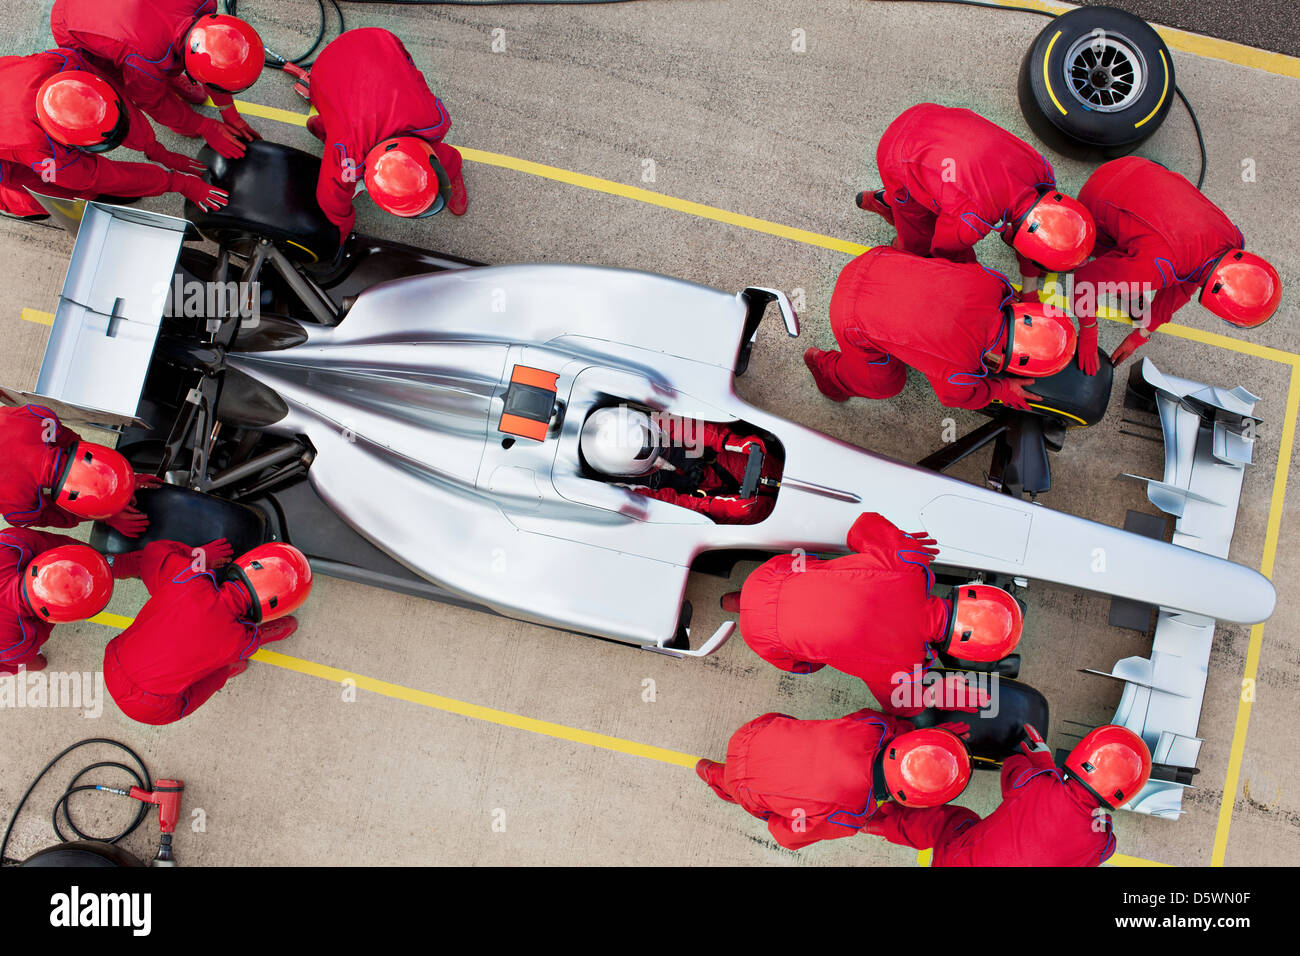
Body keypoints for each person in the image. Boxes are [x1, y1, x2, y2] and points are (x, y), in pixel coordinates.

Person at [721, 512, 1021, 713]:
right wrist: (946, 691)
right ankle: (740, 607)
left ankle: (739, 599)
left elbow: (861, 526)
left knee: (810, 574)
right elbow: (901, 707)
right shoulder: (906, 668)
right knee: (812, 663)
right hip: (761, 639)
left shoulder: (910, 565)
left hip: (767, 576)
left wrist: (900, 541)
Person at [1067, 156, 1282, 373]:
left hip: (1138, 168)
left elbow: (1189, 277)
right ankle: (1117, 279)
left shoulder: (1230, 237)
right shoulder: (1153, 269)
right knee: (1088, 258)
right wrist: (1088, 331)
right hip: (1097, 198)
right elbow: (1085, 280)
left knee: (1149, 260)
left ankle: (1128, 286)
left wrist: (1142, 333)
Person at [803, 247, 1075, 411]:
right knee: (885, 384)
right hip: (849, 315)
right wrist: (1001, 390)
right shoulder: (962, 369)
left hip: (877, 260)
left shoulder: (995, 284)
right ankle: (824, 367)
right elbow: (956, 397)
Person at [857, 103, 1095, 288]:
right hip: (897, 153)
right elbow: (946, 253)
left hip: (930, 118)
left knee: (945, 195)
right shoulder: (972, 220)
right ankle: (888, 203)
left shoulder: (1042, 171)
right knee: (919, 244)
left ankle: (887, 201)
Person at [865, 723, 1151, 866]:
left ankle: (874, 820)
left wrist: (1042, 763)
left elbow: (1013, 770)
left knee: (953, 821)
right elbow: (1105, 845)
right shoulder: (1099, 840)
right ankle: (870, 822)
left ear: (1082, 755)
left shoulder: (1038, 785)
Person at [696, 709, 971, 850]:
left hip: (751, 733)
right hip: (745, 787)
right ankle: (715, 776)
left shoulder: (875, 727)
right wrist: (775, 811)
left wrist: (930, 738)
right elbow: (787, 836)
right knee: (742, 789)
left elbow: (879, 722)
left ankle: (713, 772)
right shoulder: (850, 814)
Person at [103, 540, 312, 725]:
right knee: (216, 674)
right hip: (152, 706)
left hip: (114, 660)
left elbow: (153, 553)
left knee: (206, 647)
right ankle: (232, 665)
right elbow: (247, 644)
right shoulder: (240, 640)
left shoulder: (189, 577)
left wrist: (197, 555)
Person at [0, 50, 227, 218]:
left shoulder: (63, 64)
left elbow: (113, 97)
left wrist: (154, 149)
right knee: (53, 196)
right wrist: (177, 183)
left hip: (9, 84)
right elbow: (103, 176)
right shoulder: (48, 155)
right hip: (9, 151)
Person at [294, 27, 468, 242]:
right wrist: (340, 231)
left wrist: (340, 232)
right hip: (331, 68)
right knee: (337, 120)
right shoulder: (348, 159)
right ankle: (325, 126)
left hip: (379, 41)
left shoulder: (433, 121)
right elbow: (331, 200)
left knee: (340, 119)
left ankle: (324, 126)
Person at [50, 2, 264, 159]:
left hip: (122, 17)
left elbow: (215, 57)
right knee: (120, 84)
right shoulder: (145, 61)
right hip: (71, 21)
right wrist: (203, 126)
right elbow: (152, 103)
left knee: (160, 66)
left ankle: (167, 79)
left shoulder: (204, 4)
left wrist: (230, 113)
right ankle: (169, 94)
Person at [579, 407, 780, 524]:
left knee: (767, 465)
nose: (659, 456)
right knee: (752, 514)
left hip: (715, 459)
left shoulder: (634, 423)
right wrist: (720, 507)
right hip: (702, 497)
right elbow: (671, 506)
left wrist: (733, 441)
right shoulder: (625, 492)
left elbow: (687, 427)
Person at [0, 404, 158, 536]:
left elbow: (50, 515)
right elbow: (67, 440)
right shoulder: (37, 417)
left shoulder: (18, 508)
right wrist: (105, 509)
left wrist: (117, 481)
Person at [1, 530, 112, 674]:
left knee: (37, 663)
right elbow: (63, 549)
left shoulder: (14, 644)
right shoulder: (8, 543)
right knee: (31, 661)